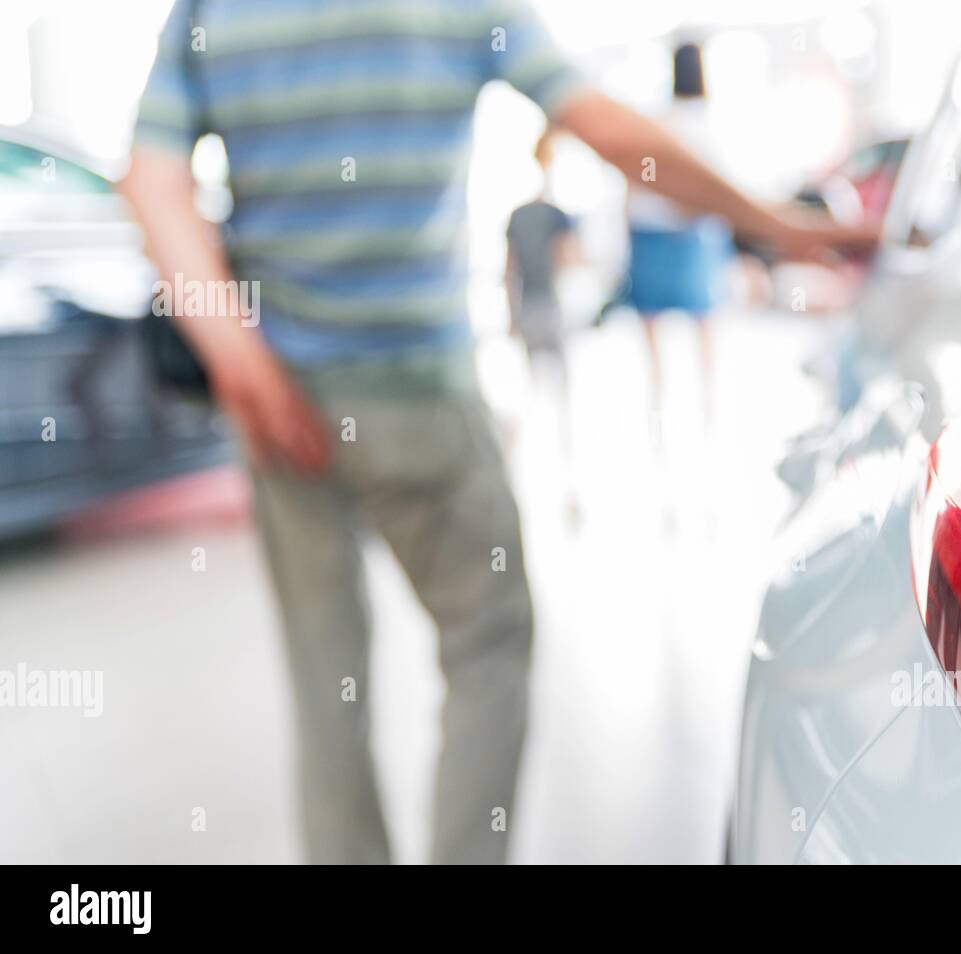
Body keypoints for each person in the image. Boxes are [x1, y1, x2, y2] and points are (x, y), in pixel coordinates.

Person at [119, 0, 877, 865]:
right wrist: (779, 225)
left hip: (278, 403)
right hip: (420, 394)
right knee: (487, 644)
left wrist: (242, 365)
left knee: (324, 673)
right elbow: (613, 135)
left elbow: (152, 179)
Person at [624, 42, 731, 421]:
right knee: (703, 318)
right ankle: (708, 400)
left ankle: (658, 399)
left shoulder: (659, 119)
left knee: (652, 318)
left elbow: (635, 180)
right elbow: (715, 188)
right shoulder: (706, 123)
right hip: (691, 234)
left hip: (649, 232)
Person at [505, 129, 580, 477]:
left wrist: (511, 316)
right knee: (565, 392)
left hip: (527, 309)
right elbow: (568, 260)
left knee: (529, 388)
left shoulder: (517, 216)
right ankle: (569, 461)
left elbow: (509, 270)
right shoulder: (559, 216)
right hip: (555, 309)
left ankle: (518, 460)